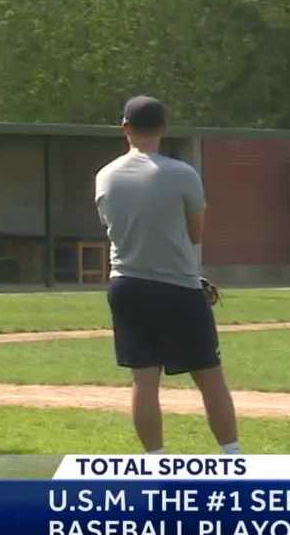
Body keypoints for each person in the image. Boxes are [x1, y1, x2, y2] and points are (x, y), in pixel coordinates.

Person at [95, 96, 239, 455]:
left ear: (124, 128)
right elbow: (196, 233)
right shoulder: (182, 174)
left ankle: (156, 463)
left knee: (144, 380)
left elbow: (112, 227)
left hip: (126, 284)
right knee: (209, 375)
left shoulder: (105, 176)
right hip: (177, 286)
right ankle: (232, 457)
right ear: (163, 128)